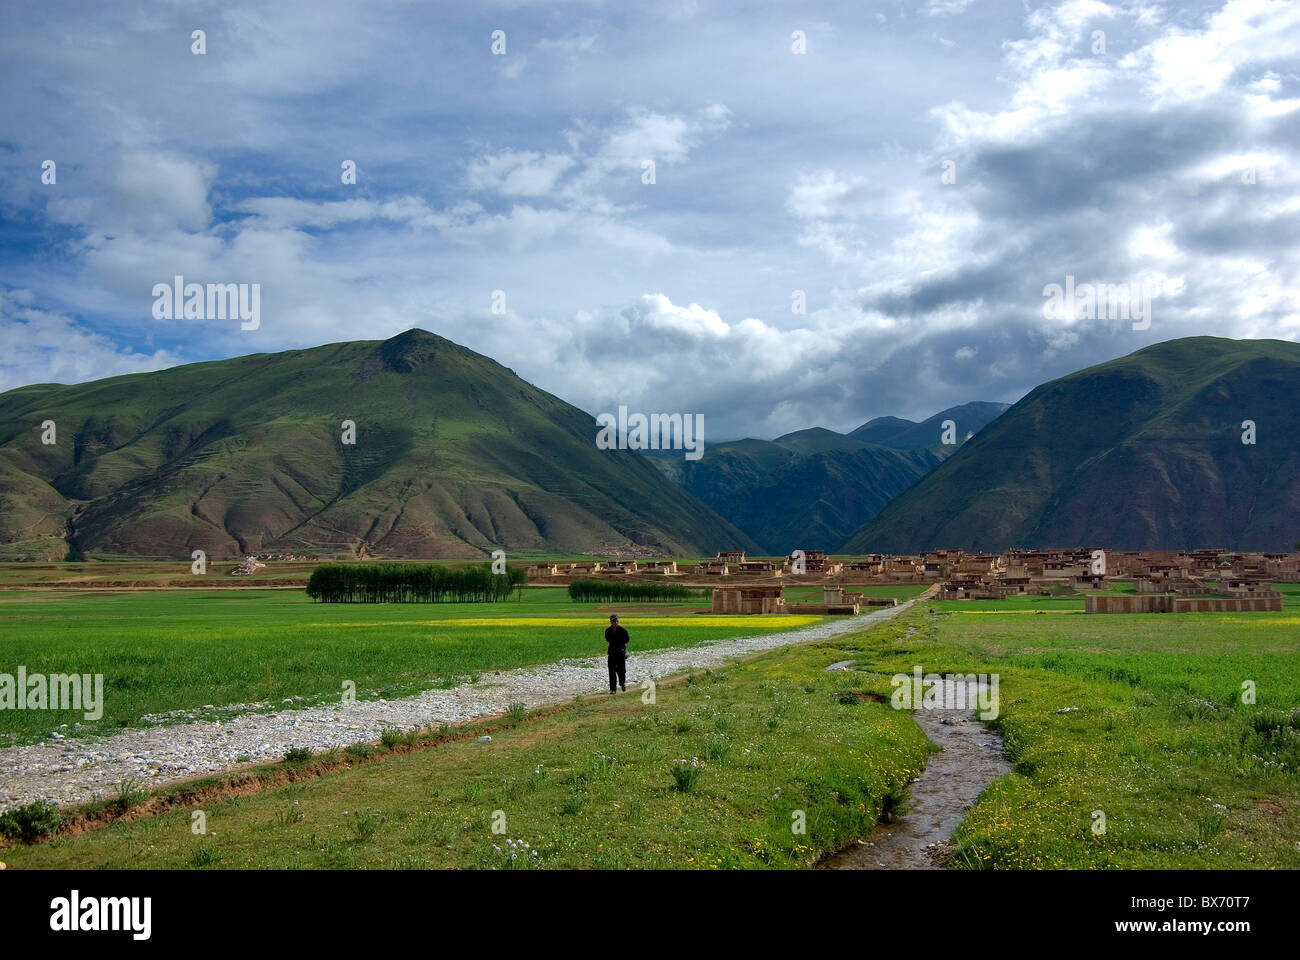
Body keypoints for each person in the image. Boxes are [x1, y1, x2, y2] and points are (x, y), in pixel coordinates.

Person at [604, 614, 629, 694]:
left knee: (621, 670)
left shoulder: (623, 630)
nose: (615, 622)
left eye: (616, 621)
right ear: (611, 622)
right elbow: (607, 639)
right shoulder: (608, 631)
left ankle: (622, 683)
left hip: (620, 652)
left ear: (618, 621)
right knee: (611, 671)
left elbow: (627, 640)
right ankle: (613, 689)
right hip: (611, 653)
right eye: (613, 621)